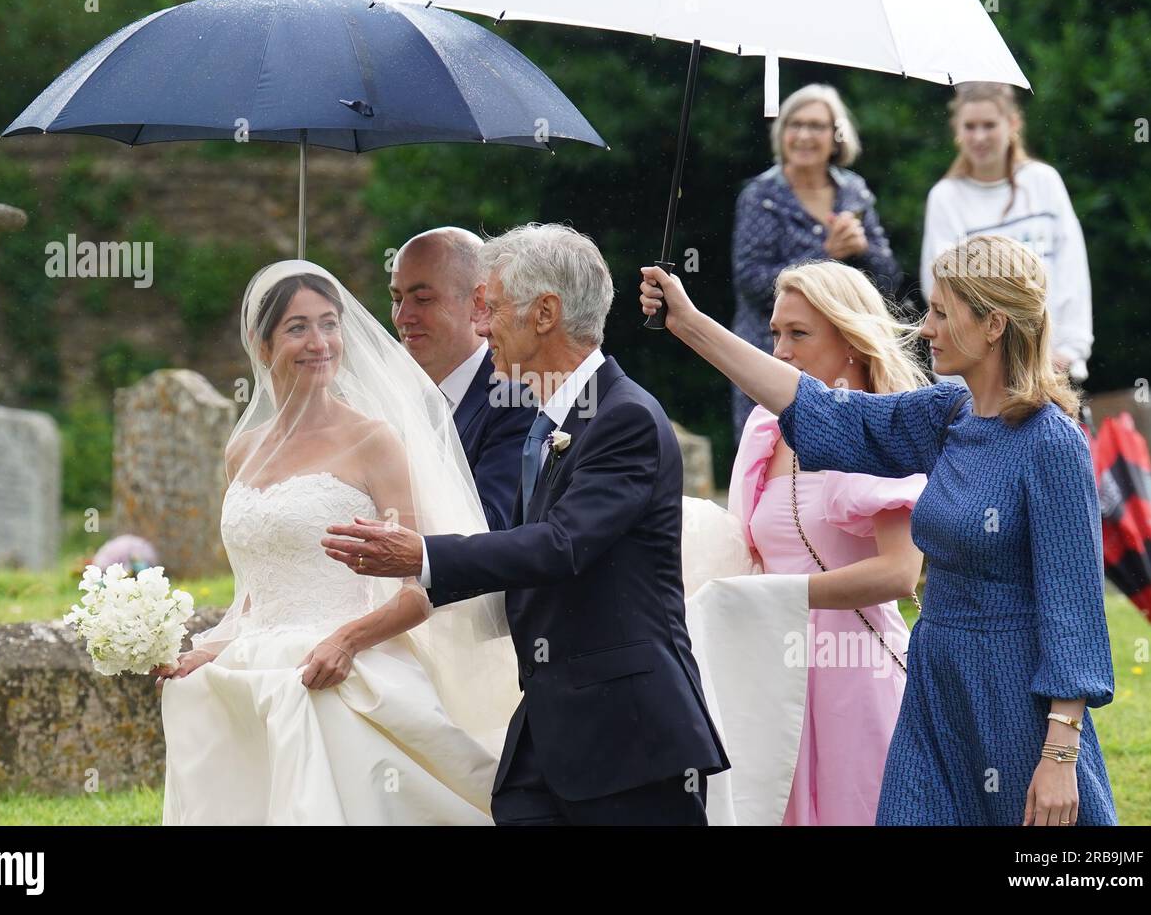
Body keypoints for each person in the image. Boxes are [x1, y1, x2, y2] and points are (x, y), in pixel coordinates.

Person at [640, 233, 1117, 826]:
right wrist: (690, 324)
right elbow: (819, 410)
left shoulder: (1052, 442)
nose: (925, 329)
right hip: (933, 688)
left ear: (993, 324)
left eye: (942, 313)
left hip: (1012, 700)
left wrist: (1060, 753)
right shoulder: (947, 414)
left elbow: (1074, 611)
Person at [323, 223, 729, 826]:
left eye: (492, 307)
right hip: (549, 733)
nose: (481, 326)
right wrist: (381, 605)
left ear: (545, 313)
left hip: (629, 736)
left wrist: (422, 556)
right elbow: (513, 553)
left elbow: (560, 546)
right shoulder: (545, 424)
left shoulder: (627, 419)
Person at [155, 259, 519, 825]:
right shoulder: (242, 451)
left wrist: (345, 642)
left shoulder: (374, 442)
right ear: (261, 342)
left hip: (350, 658)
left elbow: (422, 587)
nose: (319, 342)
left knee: (308, 709)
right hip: (258, 656)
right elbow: (254, 593)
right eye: (298, 328)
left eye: (330, 324)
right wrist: (209, 648)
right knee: (192, 695)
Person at [726, 260, 930, 825]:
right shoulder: (765, 429)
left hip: (854, 676)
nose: (781, 351)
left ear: (850, 342)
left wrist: (778, 596)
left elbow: (898, 573)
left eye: (799, 334)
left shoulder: (881, 431)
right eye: (775, 334)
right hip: (772, 671)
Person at [731, 83, 902, 438]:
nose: (805, 135)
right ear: (782, 133)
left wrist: (863, 251)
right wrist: (827, 256)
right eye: (796, 125)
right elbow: (751, 281)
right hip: (771, 353)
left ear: (837, 136)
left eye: (817, 126)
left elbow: (888, 281)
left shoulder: (854, 192)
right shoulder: (761, 195)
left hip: (845, 360)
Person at [921, 82, 1093, 382]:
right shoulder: (946, 197)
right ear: (956, 130)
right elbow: (943, 293)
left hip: (1051, 368)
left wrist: (1070, 351)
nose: (979, 136)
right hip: (980, 377)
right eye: (970, 126)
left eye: (989, 125)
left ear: (1012, 123)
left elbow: (1072, 271)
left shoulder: (1043, 182)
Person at [391, 226, 534, 530]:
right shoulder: (393, 397)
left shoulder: (515, 397)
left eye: (423, 299)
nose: (403, 317)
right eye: (396, 298)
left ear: (479, 303)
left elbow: (490, 525)